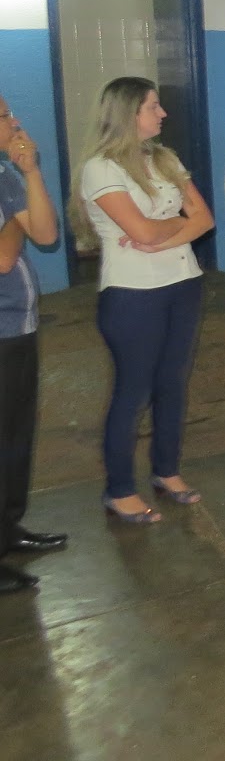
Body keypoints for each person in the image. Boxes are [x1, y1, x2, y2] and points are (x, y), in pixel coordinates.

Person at [76, 77, 214, 523]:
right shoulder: (102, 169)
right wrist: (169, 227)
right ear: (128, 113)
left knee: (172, 385)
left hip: (183, 283)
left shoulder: (165, 159)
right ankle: (119, 489)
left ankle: (166, 471)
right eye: (154, 107)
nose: (163, 114)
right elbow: (143, 232)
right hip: (132, 295)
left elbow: (204, 218)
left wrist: (161, 233)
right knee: (133, 391)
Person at [0, 89, 63, 593]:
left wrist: (31, 171)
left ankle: (7, 530)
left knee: (15, 439)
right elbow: (2, 259)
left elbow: (44, 232)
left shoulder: (4, 174)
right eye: (4, 115)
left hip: (17, 327)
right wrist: (10, 228)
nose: (14, 121)